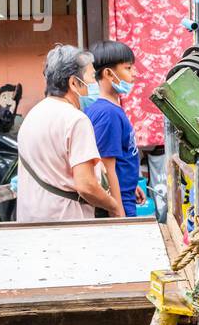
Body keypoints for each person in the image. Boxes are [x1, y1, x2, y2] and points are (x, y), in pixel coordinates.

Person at [16, 45, 121, 222]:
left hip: (30, 222)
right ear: (74, 83)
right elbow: (86, 185)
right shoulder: (76, 120)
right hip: (66, 223)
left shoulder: (33, 115)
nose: (95, 83)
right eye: (91, 77)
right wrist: (114, 206)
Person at [85, 40, 145, 218]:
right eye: (128, 68)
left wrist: (131, 185)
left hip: (125, 194)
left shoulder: (106, 107)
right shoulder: (108, 113)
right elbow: (106, 168)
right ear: (109, 74)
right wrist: (118, 212)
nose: (134, 73)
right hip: (118, 204)